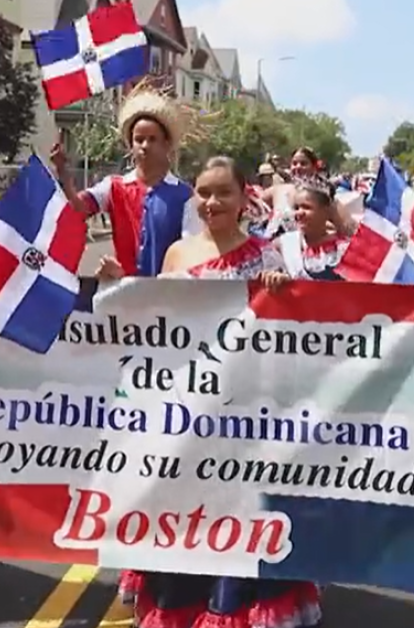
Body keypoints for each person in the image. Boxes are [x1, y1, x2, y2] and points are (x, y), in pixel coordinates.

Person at [97, 158, 318, 628]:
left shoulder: (266, 257)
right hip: (184, 409)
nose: (211, 202)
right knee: (183, 511)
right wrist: (121, 285)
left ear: (243, 198)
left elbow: (294, 337)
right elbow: (155, 322)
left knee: (233, 512)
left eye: (223, 192)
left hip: (242, 414)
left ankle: (228, 606)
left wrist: (283, 293)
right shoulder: (177, 253)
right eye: (203, 192)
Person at [56, 83, 199, 278]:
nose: (145, 146)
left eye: (152, 139)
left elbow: (190, 256)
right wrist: (64, 174)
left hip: (167, 291)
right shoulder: (114, 187)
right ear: (131, 145)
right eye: (139, 139)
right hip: (124, 291)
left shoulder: (185, 196)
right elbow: (78, 208)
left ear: (166, 144)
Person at [276, 172, 351, 280]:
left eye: (306, 207)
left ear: (326, 211)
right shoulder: (284, 244)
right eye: (296, 208)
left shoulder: (344, 249)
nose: (299, 213)